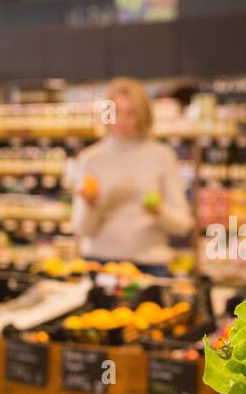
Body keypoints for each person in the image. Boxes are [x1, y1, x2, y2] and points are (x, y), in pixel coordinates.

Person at [70, 77, 193, 277]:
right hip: (99, 265)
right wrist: (90, 205)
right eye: (116, 111)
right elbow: (82, 229)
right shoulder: (90, 159)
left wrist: (158, 211)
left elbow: (183, 225)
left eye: (131, 113)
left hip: (150, 267)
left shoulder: (162, 156)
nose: (123, 121)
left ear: (144, 115)